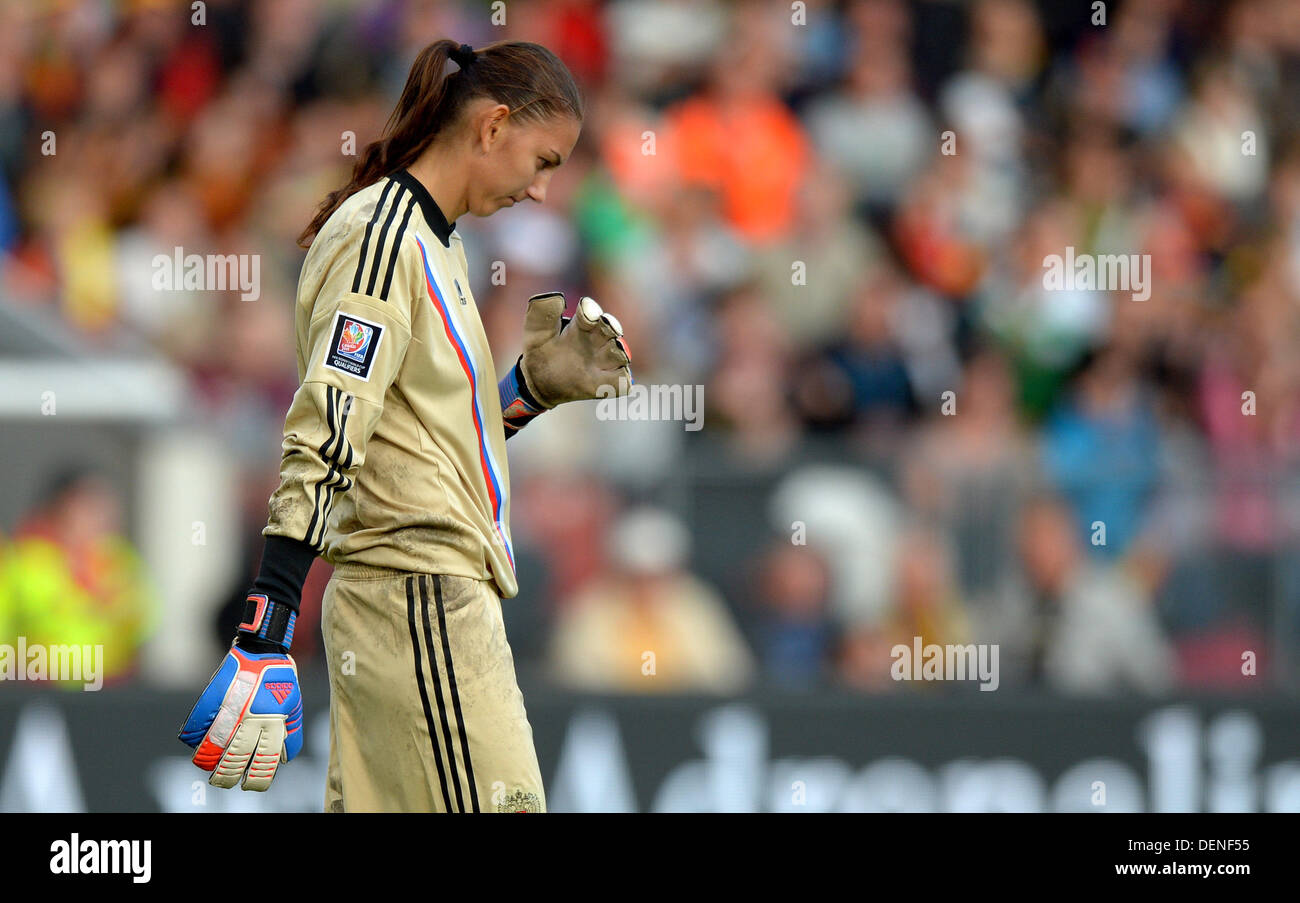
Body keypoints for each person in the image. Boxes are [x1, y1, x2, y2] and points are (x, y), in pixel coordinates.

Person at [178, 39, 632, 812]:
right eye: (544, 161)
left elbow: (412, 438)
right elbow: (331, 421)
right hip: (418, 600)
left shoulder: (436, 240)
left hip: (414, 603)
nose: (542, 190)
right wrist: (267, 626)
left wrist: (524, 393)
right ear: (491, 129)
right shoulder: (386, 238)